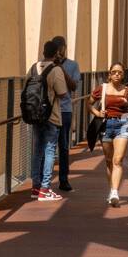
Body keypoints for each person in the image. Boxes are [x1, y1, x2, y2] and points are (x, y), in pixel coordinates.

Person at [90, 62, 128, 207]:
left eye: (120, 72)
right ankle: (111, 190)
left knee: (118, 160)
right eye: (114, 72)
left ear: (123, 75)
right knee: (109, 160)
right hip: (106, 124)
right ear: (109, 74)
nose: (117, 74)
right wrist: (98, 113)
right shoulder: (102, 89)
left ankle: (115, 192)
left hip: (124, 123)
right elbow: (89, 103)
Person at [28, 39, 67, 201]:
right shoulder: (56, 70)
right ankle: (45, 188)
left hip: (35, 115)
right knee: (50, 150)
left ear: (43, 52)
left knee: (37, 151)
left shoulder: (33, 67)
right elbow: (63, 93)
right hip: (51, 116)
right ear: (56, 53)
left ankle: (35, 187)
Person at [51, 35, 80, 191]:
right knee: (47, 147)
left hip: (64, 110)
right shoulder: (46, 65)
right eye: (56, 48)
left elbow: (74, 86)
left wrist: (60, 68)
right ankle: (43, 181)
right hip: (49, 111)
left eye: (60, 48)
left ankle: (63, 179)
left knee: (63, 146)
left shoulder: (72, 65)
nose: (59, 51)